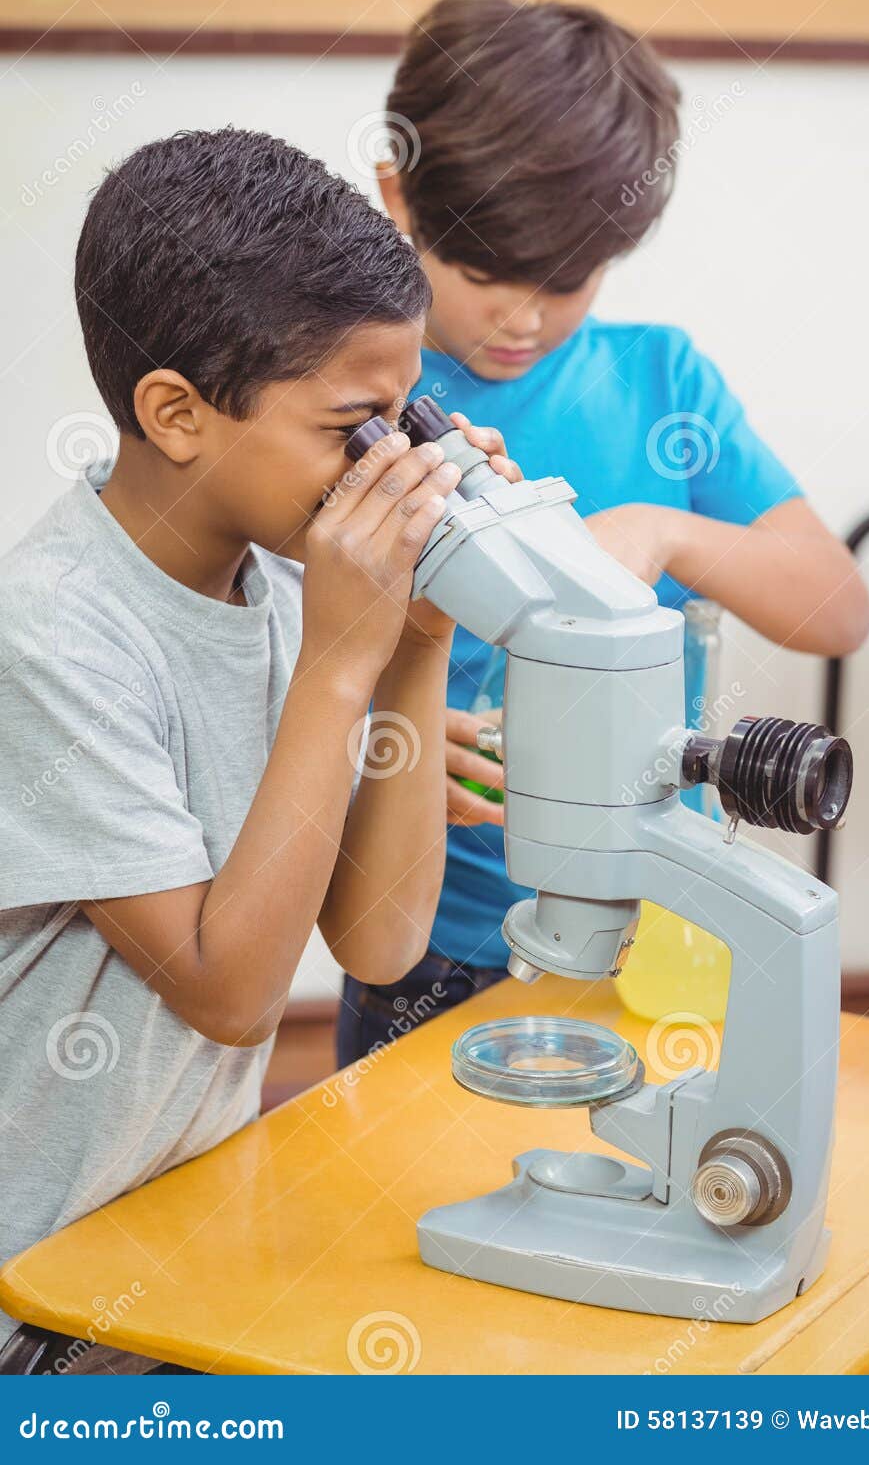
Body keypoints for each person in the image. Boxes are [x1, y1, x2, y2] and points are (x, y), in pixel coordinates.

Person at [0, 125, 517, 1366]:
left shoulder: (285, 586)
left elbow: (380, 941)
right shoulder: (51, 634)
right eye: (353, 425)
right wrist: (345, 659)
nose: (390, 462)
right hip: (42, 1291)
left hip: (181, 1232)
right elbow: (231, 995)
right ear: (176, 412)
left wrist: (415, 641)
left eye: (405, 416)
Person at [336, 0, 869, 1067]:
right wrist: (375, 749)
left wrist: (668, 534)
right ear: (397, 195)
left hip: (645, 942)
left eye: (566, 282)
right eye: (483, 276)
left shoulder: (660, 383)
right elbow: (256, 655)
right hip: (423, 943)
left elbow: (838, 607)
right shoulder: (346, 397)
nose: (522, 319)